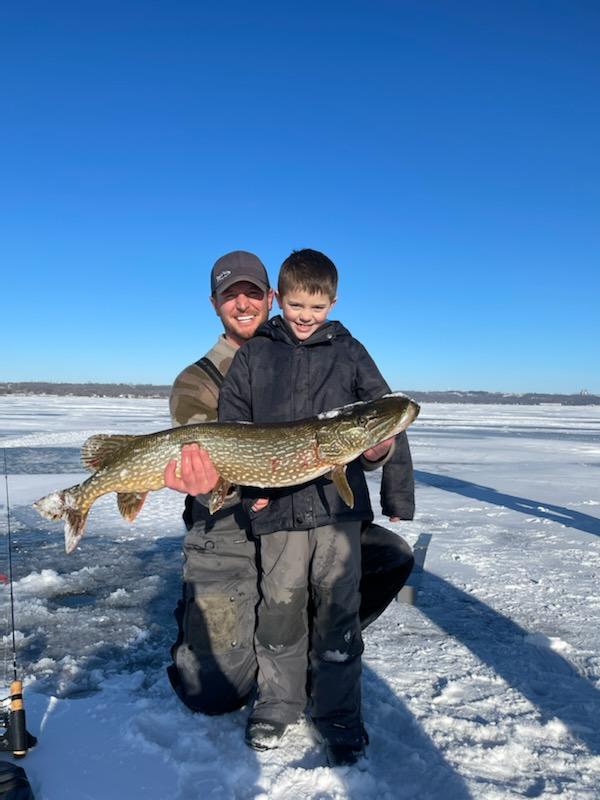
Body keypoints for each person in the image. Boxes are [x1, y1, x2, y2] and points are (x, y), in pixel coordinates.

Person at [164, 250, 415, 752]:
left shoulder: (344, 350)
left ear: (268, 298)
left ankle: (335, 704)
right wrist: (229, 482)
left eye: (252, 293)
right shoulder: (222, 369)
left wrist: (388, 475)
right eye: (230, 295)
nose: (242, 303)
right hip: (243, 521)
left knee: (338, 606)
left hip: (326, 512)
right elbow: (227, 430)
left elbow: (382, 415)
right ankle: (266, 688)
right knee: (221, 681)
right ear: (215, 303)